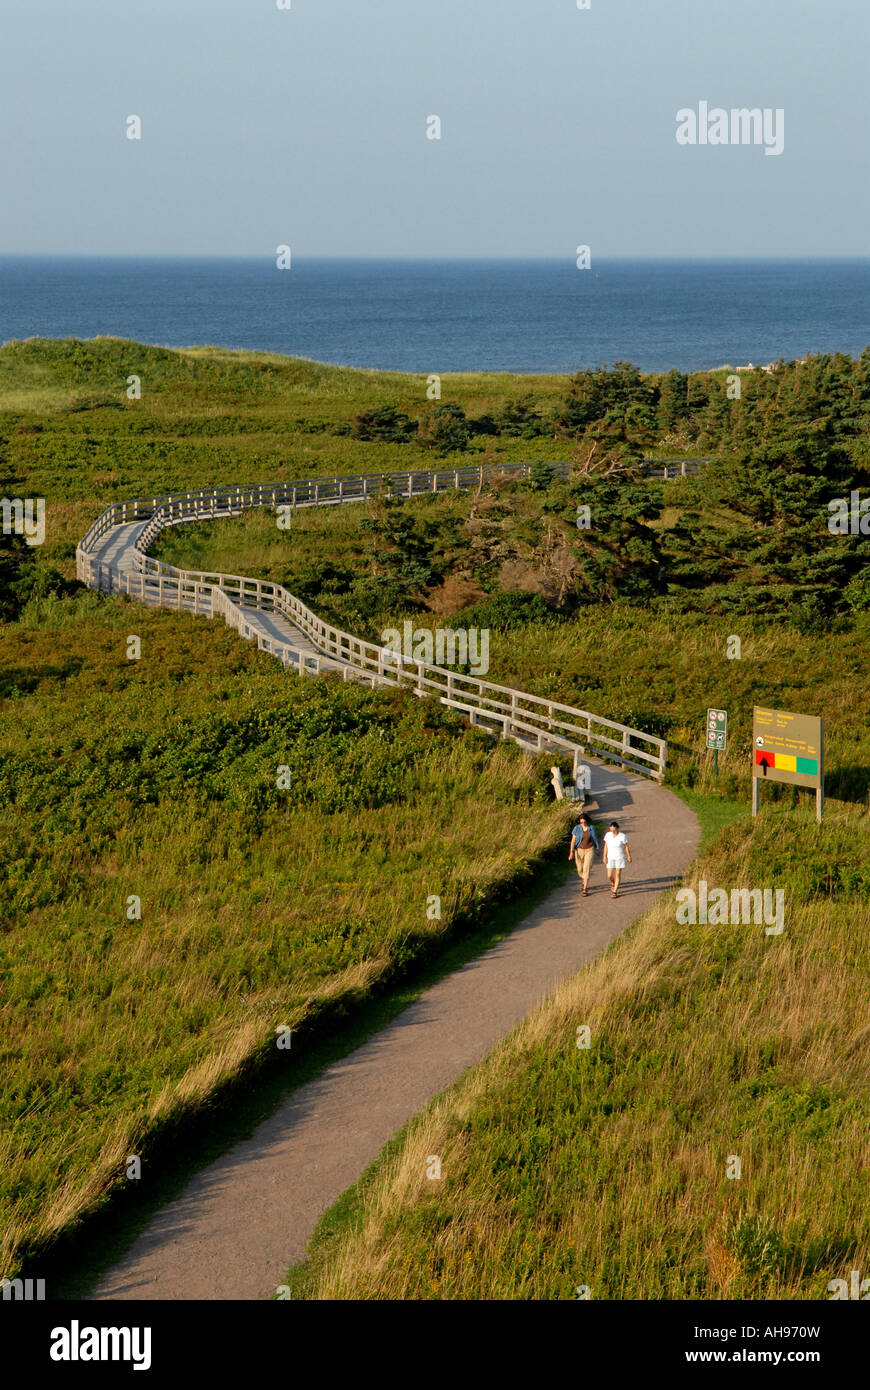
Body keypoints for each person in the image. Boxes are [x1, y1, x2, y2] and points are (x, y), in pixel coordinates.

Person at [568, 814, 600, 897]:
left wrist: (597, 849)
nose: (583, 822)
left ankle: (584, 889)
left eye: (584, 820)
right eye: (581, 820)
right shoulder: (576, 828)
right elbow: (573, 841)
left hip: (590, 849)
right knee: (580, 869)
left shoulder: (592, 828)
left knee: (587, 868)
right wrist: (571, 852)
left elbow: (595, 839)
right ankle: (584, 877)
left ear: (587, 820)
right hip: (579, 850)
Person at [603, 821, 631, 898]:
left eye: (614, 830)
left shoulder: (622, 836)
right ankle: (613, 883)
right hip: (610, 857)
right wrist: (604, 856)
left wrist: (629, 856)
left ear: (617, 828)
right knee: (609, 875)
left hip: (620, 857)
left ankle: (615, 891)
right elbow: (606, 846)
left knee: (618, 874)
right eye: (611, 830)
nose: (613, 832)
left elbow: (626, 846)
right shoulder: (608, 835)